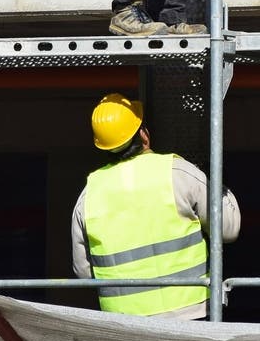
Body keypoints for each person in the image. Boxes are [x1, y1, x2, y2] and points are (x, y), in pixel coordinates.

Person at [71, 92, 241, 320]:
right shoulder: (178, 172)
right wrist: (218, 184)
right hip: (191, 316)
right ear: (144, 135)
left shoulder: (89, 194)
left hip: (124, 325)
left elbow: (83, 272)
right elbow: (228, 230)